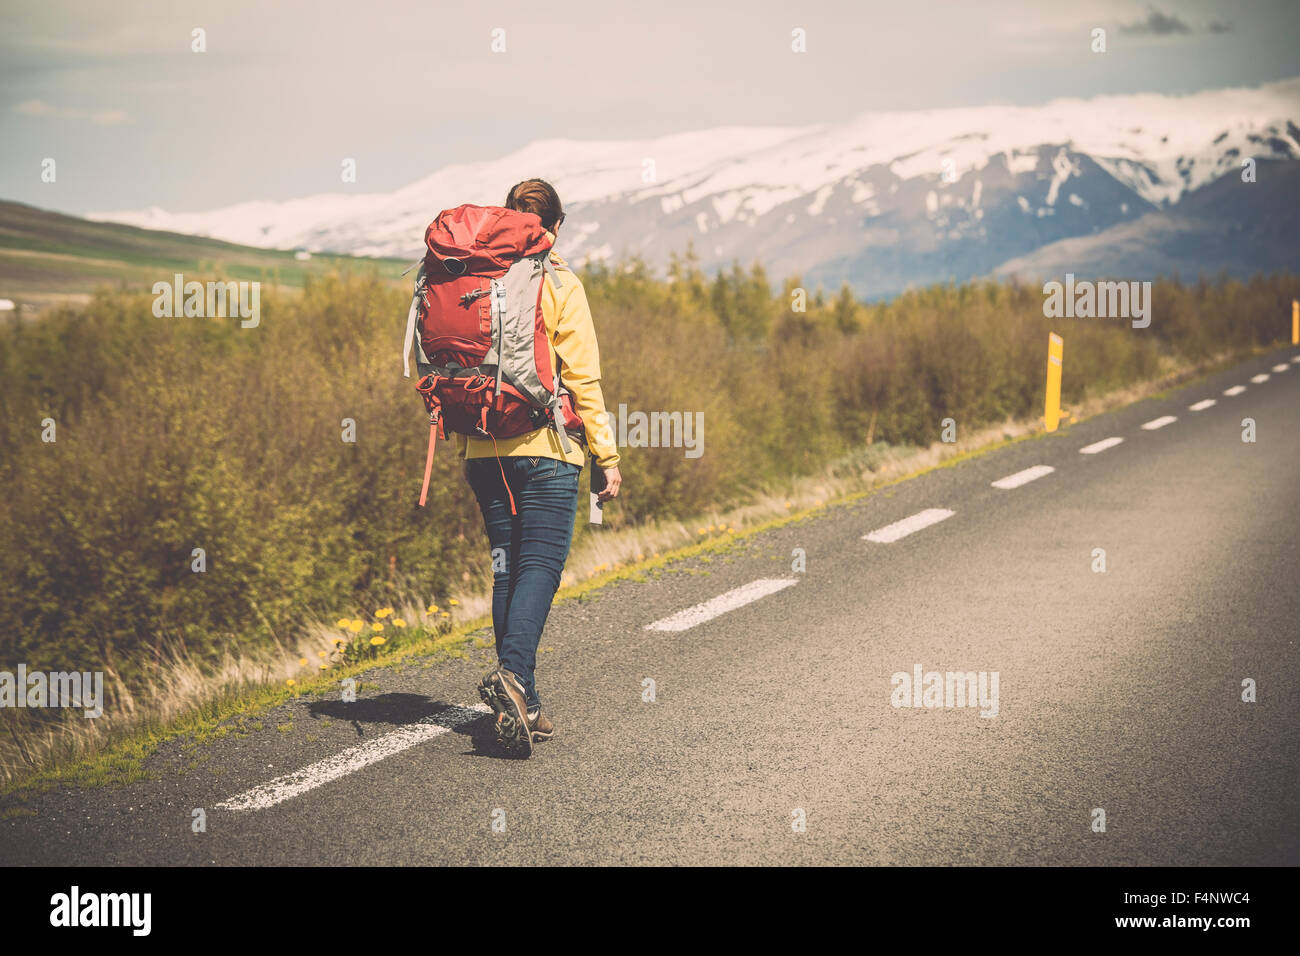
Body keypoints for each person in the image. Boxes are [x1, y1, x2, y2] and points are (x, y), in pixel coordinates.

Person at [465, 179, 622, 757]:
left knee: (508, 571)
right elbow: (583, 378)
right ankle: (511, 678)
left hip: (483, 450)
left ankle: (524, 701)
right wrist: (606, 456)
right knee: (540, 567)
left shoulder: (473, 278)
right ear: (555, 227)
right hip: (548, 449)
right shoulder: (559, 281)